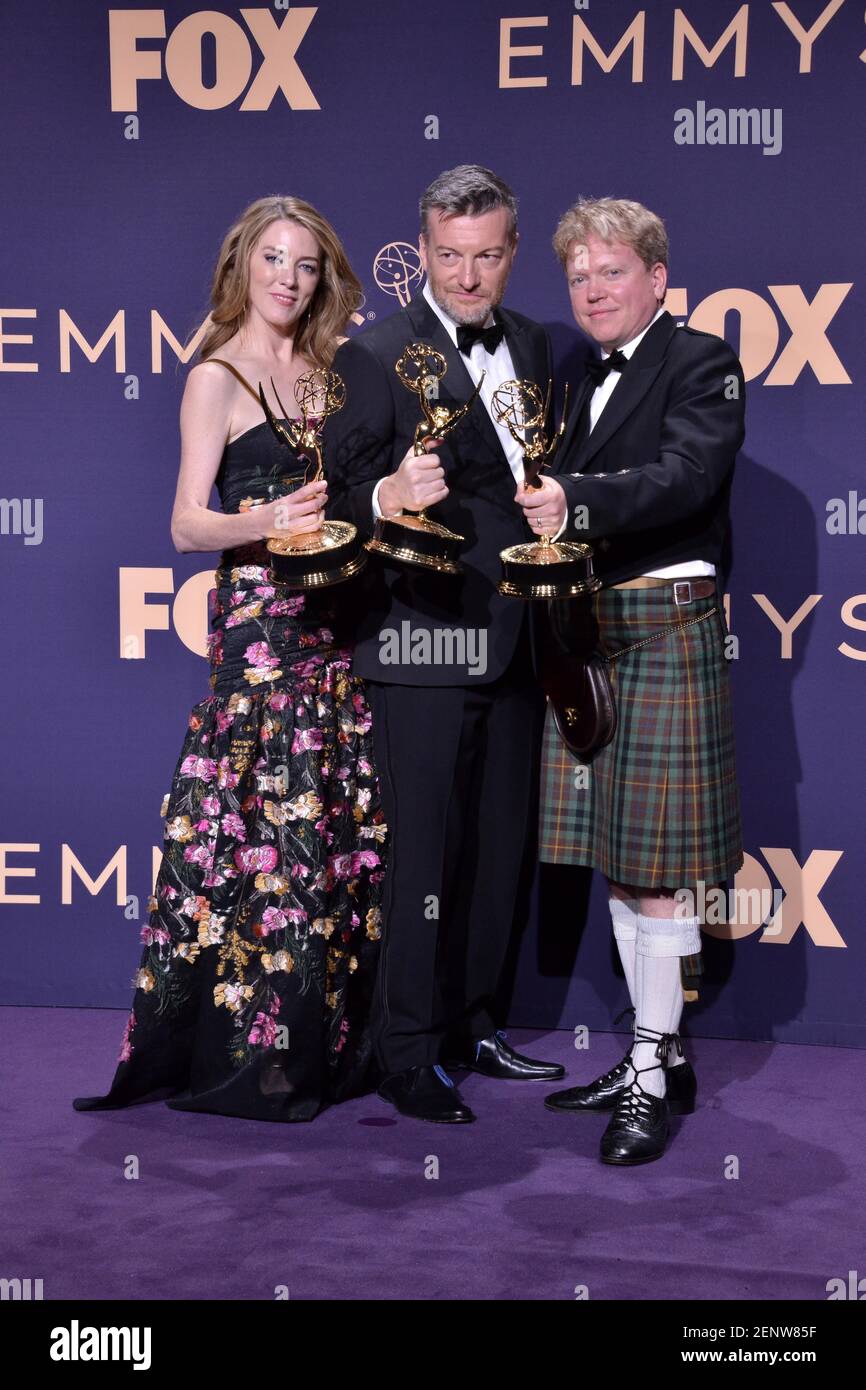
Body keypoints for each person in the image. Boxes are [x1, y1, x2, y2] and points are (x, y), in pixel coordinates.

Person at [73, 196, 387, 1123]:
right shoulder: (216, 375)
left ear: (321, 278)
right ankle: (251, 1057)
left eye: (304, 265)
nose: (288, 280)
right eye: (273, 261)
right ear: (243, 267)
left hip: (338, 623)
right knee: (262, 833)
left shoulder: (334, 373)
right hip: (260, 630)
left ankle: (330, 1045)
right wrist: (268, 521)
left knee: (331, 830)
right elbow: (183, 522)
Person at [323, 165, 565, 1125]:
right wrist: (387, 497)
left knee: (497, 846)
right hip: (419, 639)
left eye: (488, 256)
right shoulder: (374, 353)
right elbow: (333, 501)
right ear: (420, 252)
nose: (468, 277)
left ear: (511, 252)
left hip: (514, 636)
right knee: (422, 856)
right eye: (451, 257)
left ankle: (475, 1023)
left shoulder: (541, 345)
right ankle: (407, 1052)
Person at [521, 197, 745, 1163]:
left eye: (611, 271)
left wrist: (577, 500)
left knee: (657, 870)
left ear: (656, 277)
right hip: (590, 630)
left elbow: (688, 475)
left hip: (663, 623)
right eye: (578, 275)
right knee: (623, 854)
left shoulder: (701, 360)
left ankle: (651, 1070)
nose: (592, 289)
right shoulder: (577, 380)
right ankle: (660, 1055)